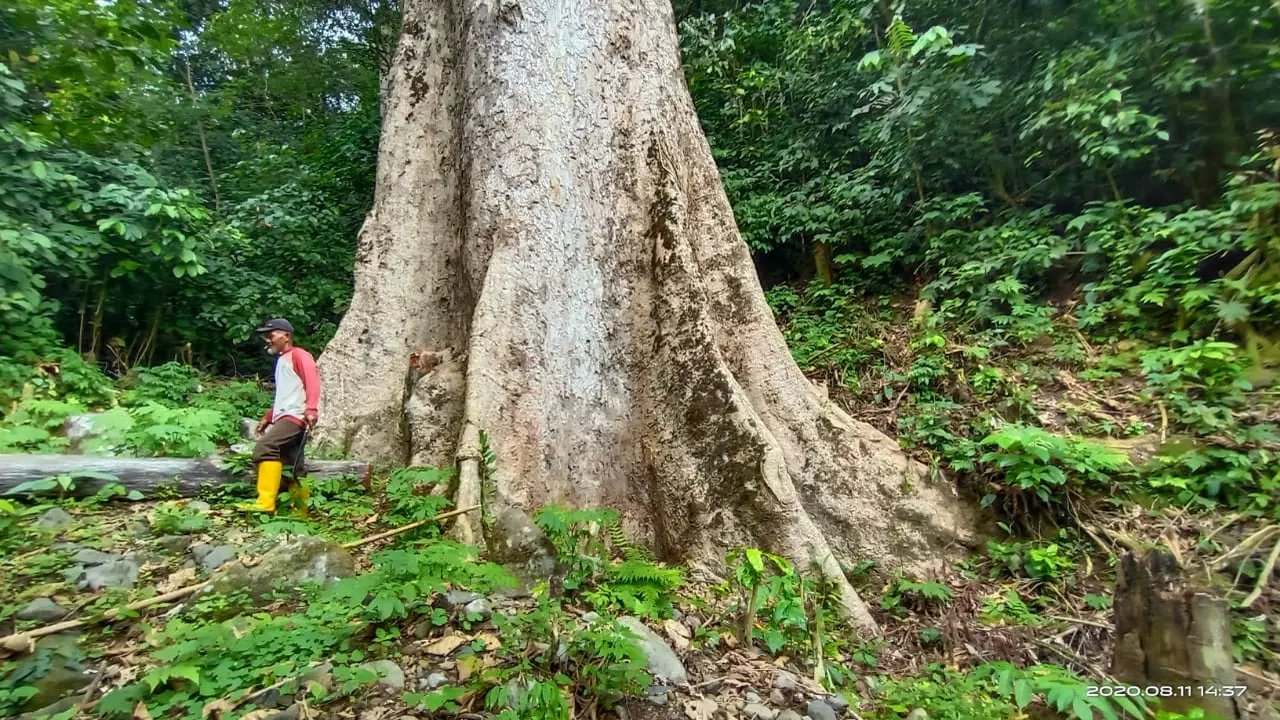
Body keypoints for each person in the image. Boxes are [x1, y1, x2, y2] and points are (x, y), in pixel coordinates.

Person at [239, 317, 320, 513]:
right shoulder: (283, 360)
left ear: (286, 336)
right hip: (287, 415)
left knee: (265, 448)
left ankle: (265, 503)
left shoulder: (299, 355)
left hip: (295, 416)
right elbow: (286, 394)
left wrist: (311, 409)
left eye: (271, 335)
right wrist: (268, 417)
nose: (267, 339)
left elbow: (313, 381)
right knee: (294, 466)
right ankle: (300, 513)